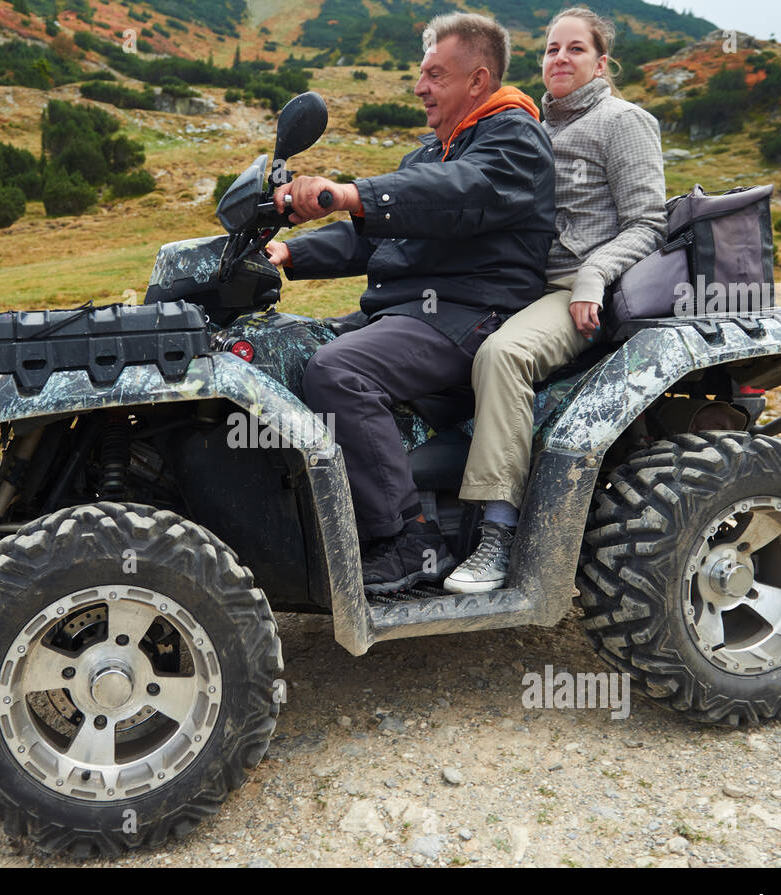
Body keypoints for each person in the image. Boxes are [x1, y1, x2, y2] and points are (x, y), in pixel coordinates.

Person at [265, 12, 556, 594]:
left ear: (477, 80)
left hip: (470, 314)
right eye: (421, 74)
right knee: (285, 349)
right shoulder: (433, 152)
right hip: (411, 312)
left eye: (434, 75)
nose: (420, 87)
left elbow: (457, 193)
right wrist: (288, 253)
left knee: (339, 371)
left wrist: (349, 192)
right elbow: (377, 234)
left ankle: (409, 540)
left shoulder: (514, 140)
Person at [443, 5, 667, 593]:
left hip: (576, 292)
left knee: (503, 356)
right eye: (551, 49)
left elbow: (648, 223)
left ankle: (497, 535)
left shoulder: (623, 121)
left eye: (575, 48)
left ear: (601, 62)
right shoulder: (535, 128)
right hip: (517, 285)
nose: (560, 58)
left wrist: (593, 275)